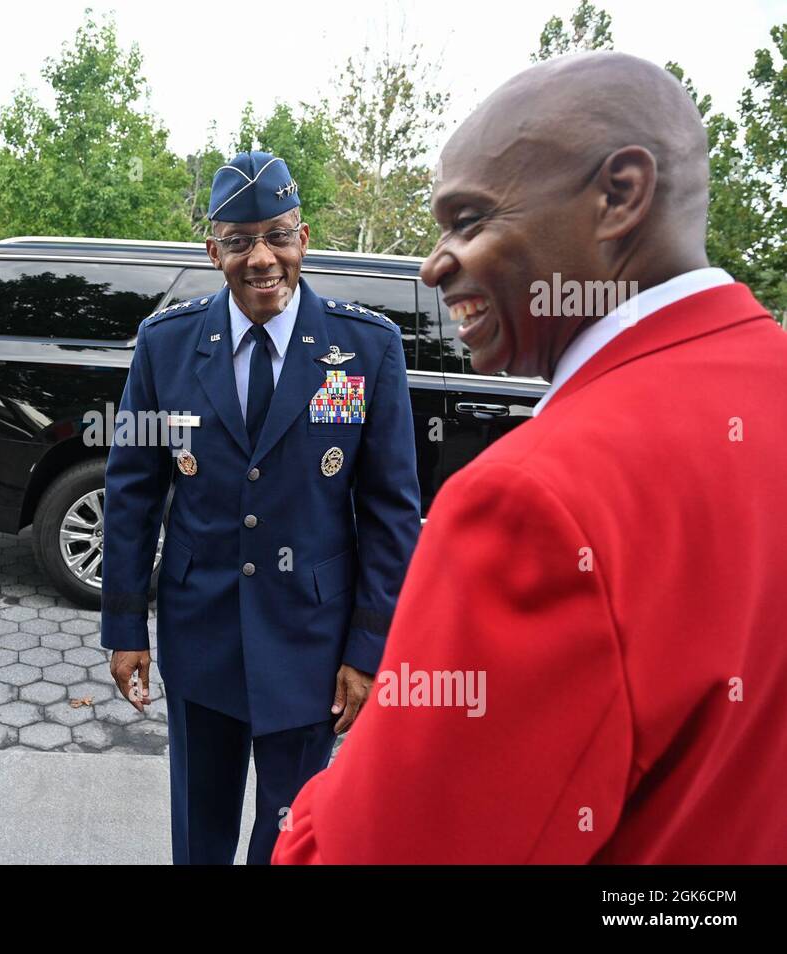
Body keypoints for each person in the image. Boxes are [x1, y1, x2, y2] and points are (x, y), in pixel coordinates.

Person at [275, 52, 787, 864]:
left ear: (620, 195)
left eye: (469, 220)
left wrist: (320, 804)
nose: (434, 263)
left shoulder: (533, 500)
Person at [101, 151, 420, 864]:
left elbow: (392, 511)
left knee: (292, 840)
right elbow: (133, 491)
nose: (261, 258)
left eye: (276, 234)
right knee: (200, 833)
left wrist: (368, 649)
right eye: (240, 241)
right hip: (200, 630)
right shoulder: (168, 346)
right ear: (214, 252)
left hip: (312, 644)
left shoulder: (365, 350)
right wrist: (125, 626)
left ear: (304, 237)